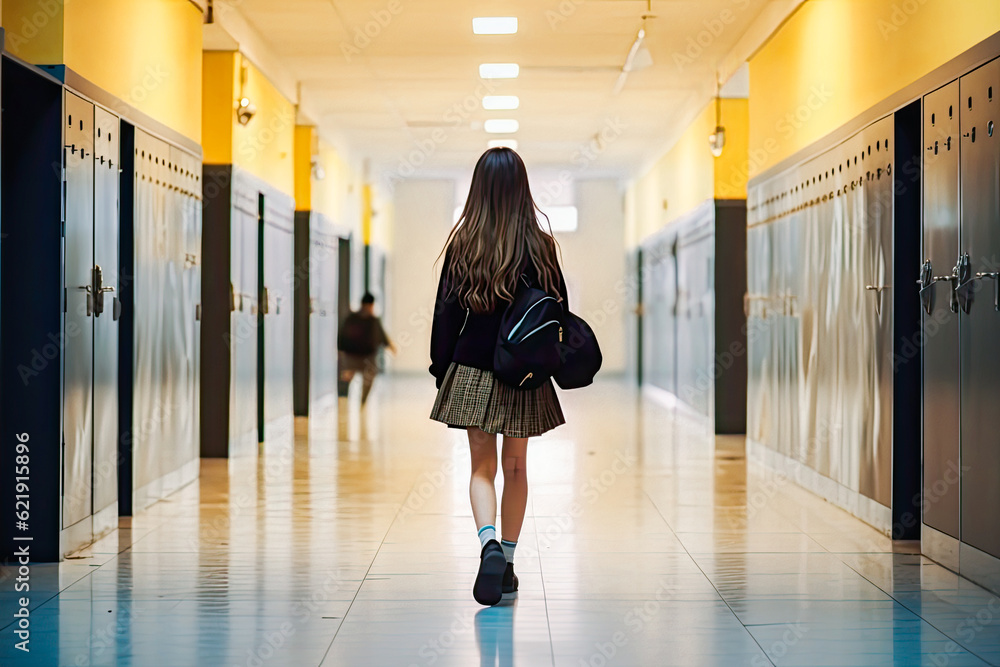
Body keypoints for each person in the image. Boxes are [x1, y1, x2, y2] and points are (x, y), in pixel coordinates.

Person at [429, 147, 568, 606]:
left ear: (479, 190)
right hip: (522, 373)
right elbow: (557, 313)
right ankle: (507, 562)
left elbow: (445, 316)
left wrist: (440, 368)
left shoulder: (464, 244)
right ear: (522, 189)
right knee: (516, 468)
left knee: (481, 469)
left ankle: (487, 543)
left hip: (471, 368)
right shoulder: (541, 246)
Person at [337, 292, 395, 405]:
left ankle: (352, 400)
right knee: (356, 378)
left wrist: (341, 350)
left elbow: (342, 335)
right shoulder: (370, 320)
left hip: (356, 356)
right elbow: (381, 335)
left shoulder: (353, 318)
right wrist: (390, 346)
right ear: (370, 305)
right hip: (361, 357)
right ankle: (353, 400)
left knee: (355, 378)